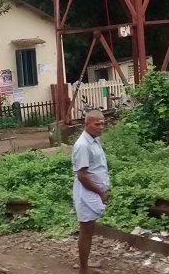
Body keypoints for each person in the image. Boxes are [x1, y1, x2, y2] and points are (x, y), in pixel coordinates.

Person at [72, 110, 109, 274]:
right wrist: (100, 191)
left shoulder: (94, 140)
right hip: (87, 193)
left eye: (102, 123)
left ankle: (85, 262)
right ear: (86, 124)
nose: (101, 127)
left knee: (90, 229)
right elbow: (82, 176)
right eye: (97, 124)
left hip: (93, 192)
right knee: (86, 232)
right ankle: (83, 269)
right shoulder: (83, 145)